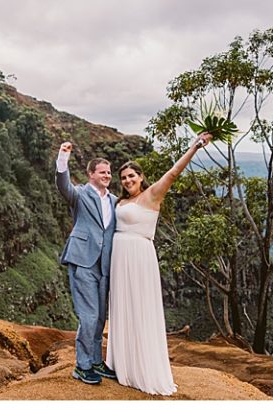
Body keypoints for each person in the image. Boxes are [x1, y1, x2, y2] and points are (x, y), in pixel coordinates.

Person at [104, 131, 213, 396]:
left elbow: (174, 172)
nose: (128, 180)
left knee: (140, 307)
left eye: (132, 176)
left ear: (141, 177)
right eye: (124, 178)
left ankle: (142, 367)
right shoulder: (120, 201)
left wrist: (195, 146)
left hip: (139, 257)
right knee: (122, 306)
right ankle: (121, 363)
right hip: (119, 259)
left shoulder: (152, 195)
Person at [54, 142, 118, 385]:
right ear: (91, 174)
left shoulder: (113, 200)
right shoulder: (80, 194)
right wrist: (63, 157)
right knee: (89, 317)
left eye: (109, 172)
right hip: (83, 261)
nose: (107, 176)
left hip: (104, 265)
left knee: (100, 317)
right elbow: (63, 186)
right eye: (102, 172)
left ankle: (95, 361)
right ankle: (81, 366)